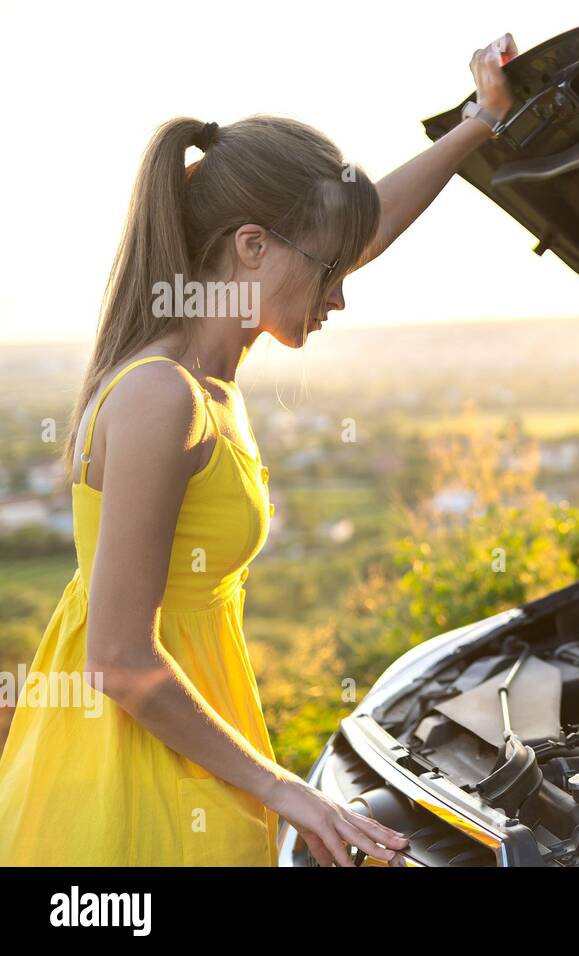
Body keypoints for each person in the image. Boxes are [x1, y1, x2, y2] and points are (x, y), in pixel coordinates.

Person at [0, 35, 519, 867]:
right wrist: (285, 788)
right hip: (128, 775)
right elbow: (120, 659)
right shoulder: (159, 396)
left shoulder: (208, 370)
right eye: (328, 272)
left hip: (196, 750)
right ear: (252, 247)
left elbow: (362, 228)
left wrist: (482, 120)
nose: (342, 296)